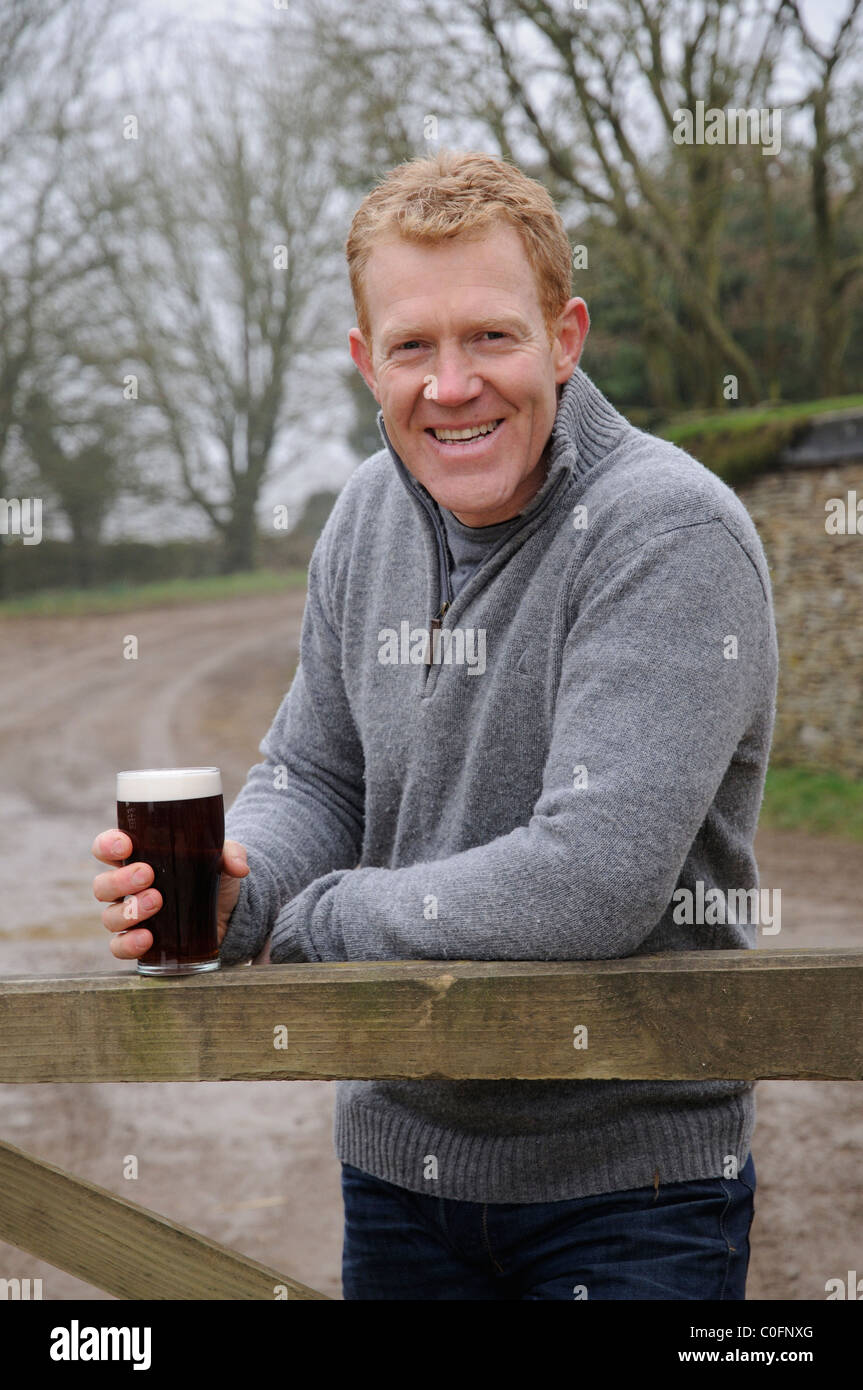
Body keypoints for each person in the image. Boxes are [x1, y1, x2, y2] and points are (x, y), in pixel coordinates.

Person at [93, 149, 777, 1301]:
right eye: (413, 346)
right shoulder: (363, 514)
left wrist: (310, 924)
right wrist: (231, 888)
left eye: (491, 338)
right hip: (397, 1170)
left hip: (627, 1197)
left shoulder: (665, 534)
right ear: (368, 364)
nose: (450, 385)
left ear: (564, 337)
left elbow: (592, 877)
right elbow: (315, 774)